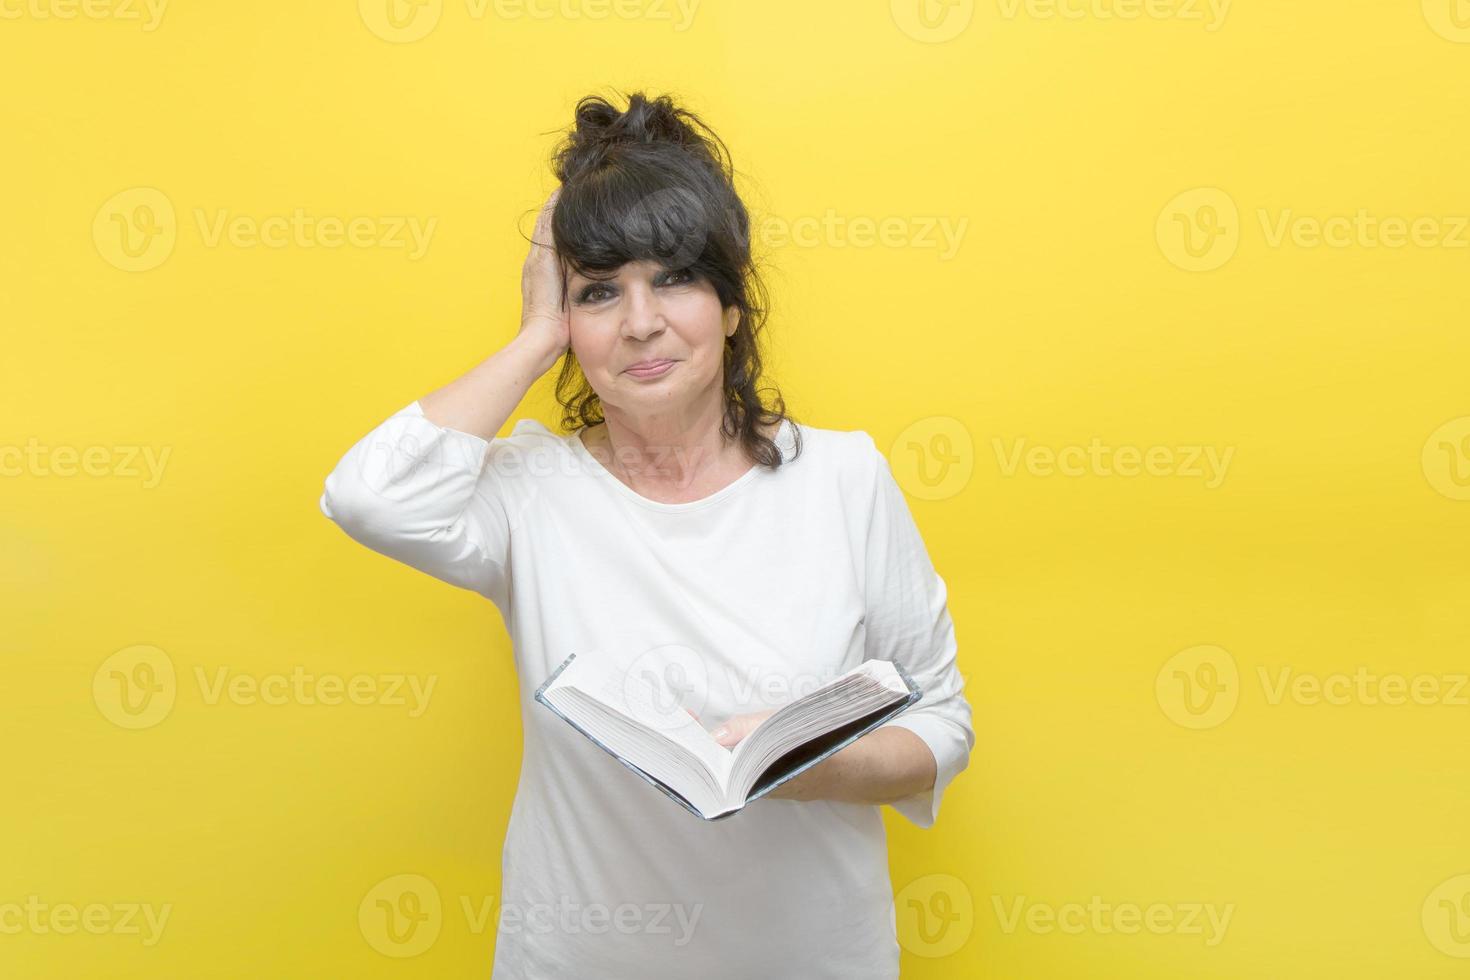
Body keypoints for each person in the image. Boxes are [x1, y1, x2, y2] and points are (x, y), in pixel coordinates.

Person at [319, 90, 974, 979]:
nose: (639, 322)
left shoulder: (844, 477)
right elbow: (367, 497)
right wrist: (534, 335)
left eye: (674, 278)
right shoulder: (530, 488)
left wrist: (803, 763)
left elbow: (940, 722)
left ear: (733, 306)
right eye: (598, 293)